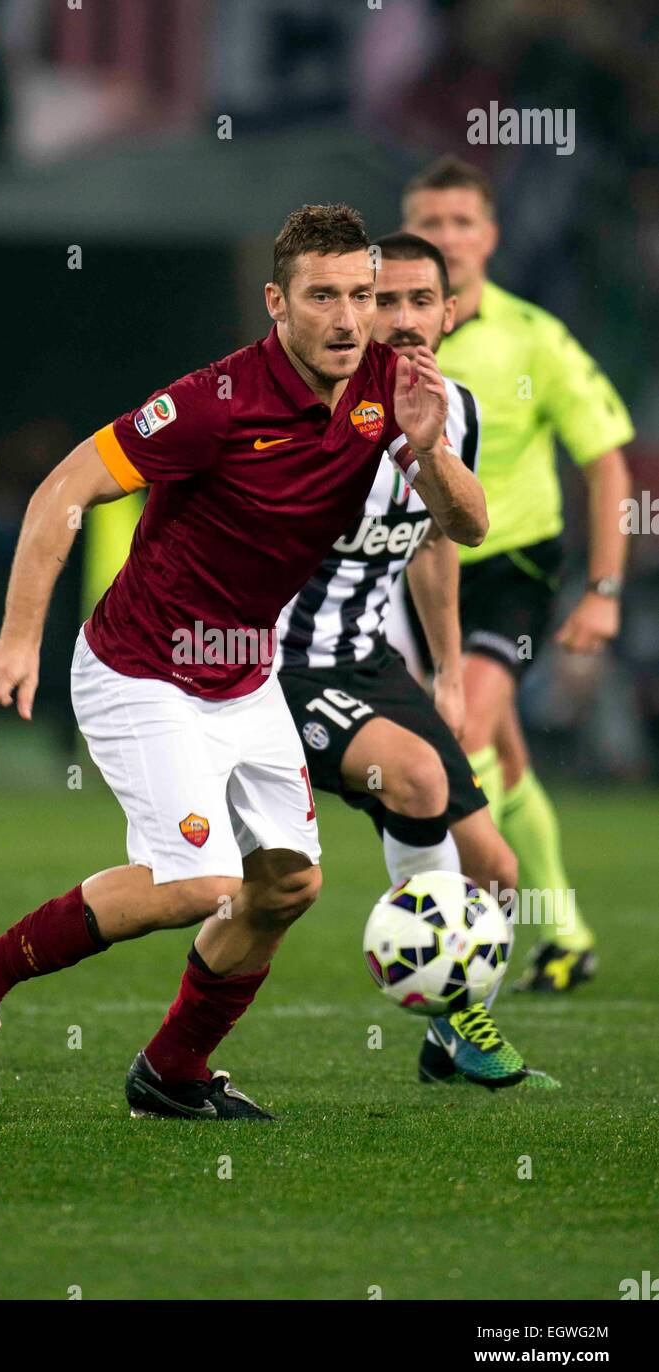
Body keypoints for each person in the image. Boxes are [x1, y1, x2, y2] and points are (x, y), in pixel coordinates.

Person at [0, 203, 487, 1119]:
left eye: (360, 295)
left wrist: (429, 448)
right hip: (140, 668)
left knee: (287, 885)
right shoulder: (212, 402)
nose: (347, 318)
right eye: (322, 297)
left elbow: (464, 524)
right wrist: (18, 636)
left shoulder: (391, 388)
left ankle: (171, 1075)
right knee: (198, 885)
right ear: (277, 303)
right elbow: (65, 486)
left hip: (244, 674)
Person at [278, 232, 555, 1089]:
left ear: (450, 310)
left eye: (415, 302)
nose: (397, 320)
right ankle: (454, 1019)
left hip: (369, 661)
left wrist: (442, 670)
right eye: (378, 299)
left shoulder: (455, 410)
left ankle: (446, 1040)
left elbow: (441, 537)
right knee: (410, 786)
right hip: (273, 665)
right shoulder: (309, 404)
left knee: (498, 871)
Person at [399, 157, 634, 992]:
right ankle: (564, 934)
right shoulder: (378, 340)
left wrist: (602, 591)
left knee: (460, 739)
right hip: (413, 567)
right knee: (501, 749)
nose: (447, 236)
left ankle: (464, 954)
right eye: (429, 220)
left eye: (462, 221)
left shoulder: (535, 335)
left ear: (490, 236)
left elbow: (607, 463)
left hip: (511, 568)